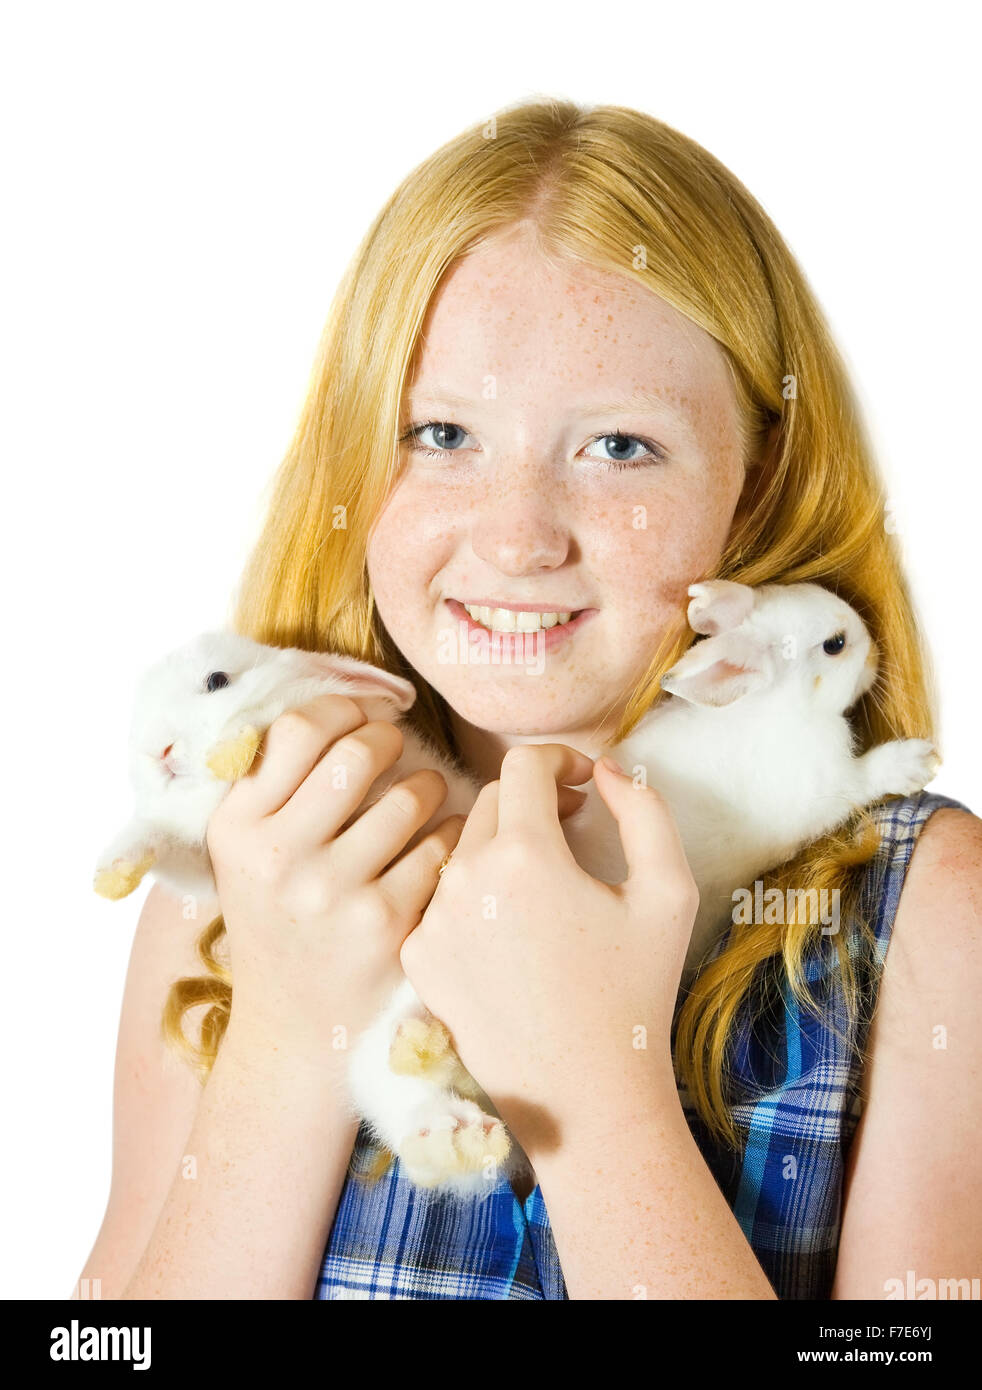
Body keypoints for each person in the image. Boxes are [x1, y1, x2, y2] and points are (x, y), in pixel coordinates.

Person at [73, 97, 982, 1301]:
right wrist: (289, 1038)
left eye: (617, 447)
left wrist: (599, 1095)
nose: (515, 538)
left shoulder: (920, 909)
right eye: (441, 431)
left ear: (754, 488)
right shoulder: (243, 878)